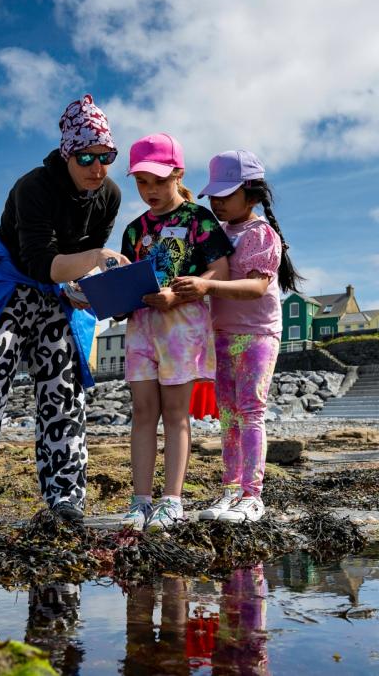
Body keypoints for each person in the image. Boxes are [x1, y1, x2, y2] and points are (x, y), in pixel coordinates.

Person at [0, 94, 128, 530]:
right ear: (67, 153)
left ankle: (65, 496)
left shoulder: (109, 194)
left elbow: (74, 267)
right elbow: (43, 263)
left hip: (60, 291)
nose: (97, 168)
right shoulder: (33, 187)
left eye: (107, 156)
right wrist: (96, 256)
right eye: (86, 157)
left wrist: (88, 286)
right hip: (14, 283)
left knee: (63, 391)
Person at [173, 150, 301, 524]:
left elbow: (258, 287)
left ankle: (252, 494)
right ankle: (230, 489)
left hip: (258, 334)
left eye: (225, 195)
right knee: (227, 414)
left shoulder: (261, 234)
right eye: (213, 196)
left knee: (251, 411)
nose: (217, 203)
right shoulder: (217, 233)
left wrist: (206, 286)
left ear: (253, 194)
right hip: (222, 334)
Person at [119, 133, 233, 532]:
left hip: (181, 326)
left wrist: (188, 289)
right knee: (143, 412)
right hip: (140, 328)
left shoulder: (199, 219)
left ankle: (172, 500)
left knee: (175, 414)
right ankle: (140, 500)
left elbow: (219, 270)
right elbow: (130, 278)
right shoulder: (134, 230)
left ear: (178, 174)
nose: (150, 190)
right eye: (142, 182)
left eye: (158, 181)